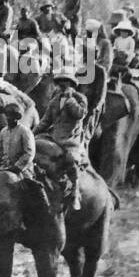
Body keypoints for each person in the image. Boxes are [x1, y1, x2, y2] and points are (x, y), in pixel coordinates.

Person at [34, 67, 89, 210]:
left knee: (72, 161)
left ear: (71, 83)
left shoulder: (79, 99)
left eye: (66, 82)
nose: (63, 85)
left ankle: (74, 193)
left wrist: (70, 100)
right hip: (54, 137)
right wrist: (31, 133)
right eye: (60, 82)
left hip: (71, 139)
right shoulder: (54, 101)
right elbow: (45, 121)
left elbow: (80, 114)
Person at [0, 101, 35, 176]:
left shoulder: (25, 131)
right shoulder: (3, 132)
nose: (8, 118)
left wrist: (17, 167)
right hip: (5, 168)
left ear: (17, 117)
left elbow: (29, 153)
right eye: (7, 116)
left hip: (22, 170)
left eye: (11, 116)